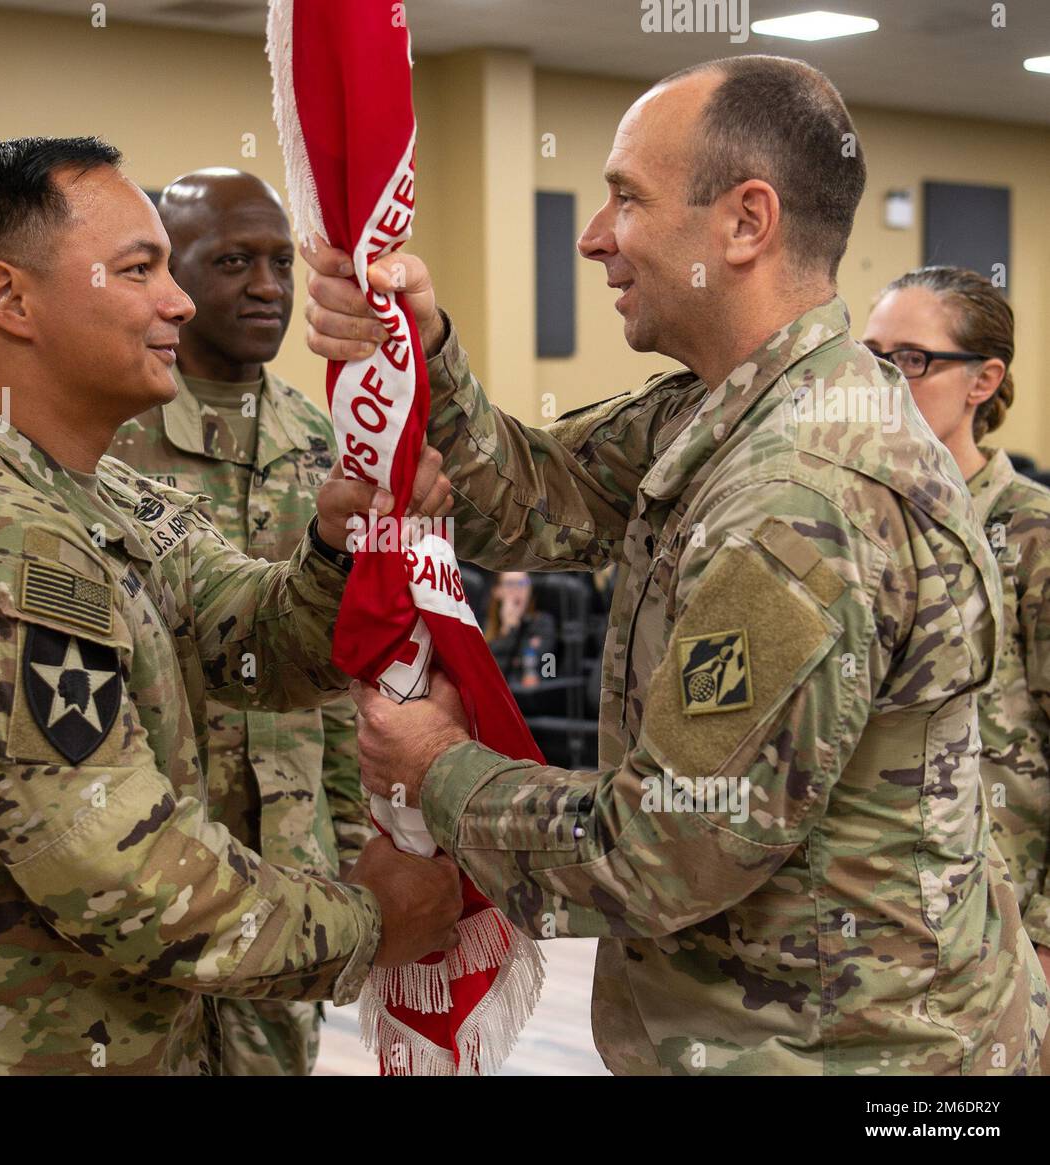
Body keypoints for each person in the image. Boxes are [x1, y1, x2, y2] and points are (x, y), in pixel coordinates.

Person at [302, 56, 1049, 1073]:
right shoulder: (727, 405)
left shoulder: (801, 502)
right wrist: (418, 343)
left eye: (625, 197)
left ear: (746, 222)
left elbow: (659, 852)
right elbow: (530, 498)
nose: (592, 235)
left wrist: (439, 772)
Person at [0, 136, 462, 1077]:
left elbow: (251, 640)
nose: (178, 300)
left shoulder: (99, 489)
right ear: (9, 299)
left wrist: (340, 551)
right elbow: (121, 873)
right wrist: (372, 921)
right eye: (139, 269)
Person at [108, 168, 371, 1075]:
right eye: (231, 262)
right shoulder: (111, 436)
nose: (267, 285)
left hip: (291, 861)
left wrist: (359, 841)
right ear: (171, 277)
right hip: (156, 867)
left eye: (276, 261)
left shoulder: (322, 439)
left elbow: (339, 672)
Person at [864, 266, 1050, 987]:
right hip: (874, 934)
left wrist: (1042, 942)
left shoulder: (1030, 532)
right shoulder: (855, 520)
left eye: (911, 360)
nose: (884, 381)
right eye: (872, 358)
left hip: (1001, 939)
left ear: (982, 380)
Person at [484, 572, 556, 687]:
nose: (518, 589)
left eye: (523, 583)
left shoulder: (542, 623)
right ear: (497, 591)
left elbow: (535, 668)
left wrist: (513, 628)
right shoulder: (486, 626)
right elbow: (489, 675)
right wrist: (507, 630)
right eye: (510, 583)